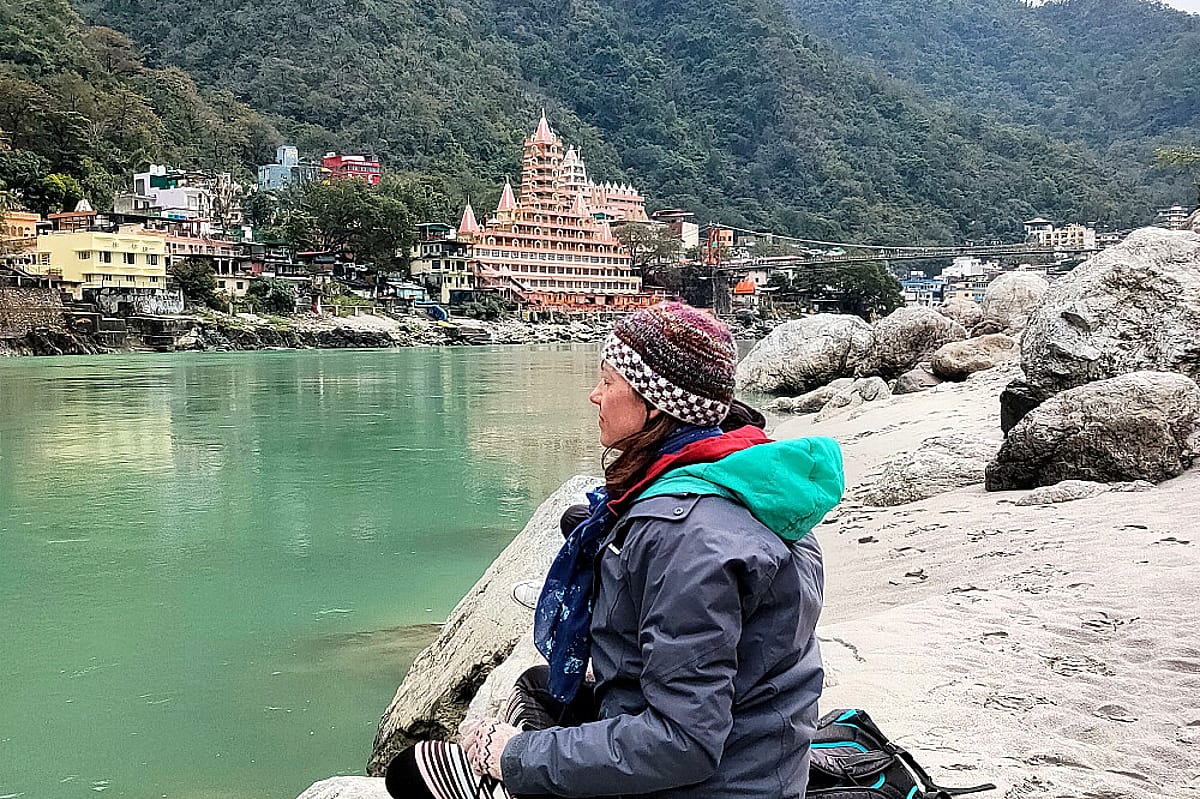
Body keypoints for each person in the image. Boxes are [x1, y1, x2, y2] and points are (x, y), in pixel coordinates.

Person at [386, 301, 844, 799]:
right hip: (759, 754)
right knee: (542, 689)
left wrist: (511, 757)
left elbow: (683, 743)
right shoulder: (751, 484)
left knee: (415, 772)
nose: (594, 395)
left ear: (654, 403)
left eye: (608, 381)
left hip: (714, 782)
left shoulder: (684, 539)